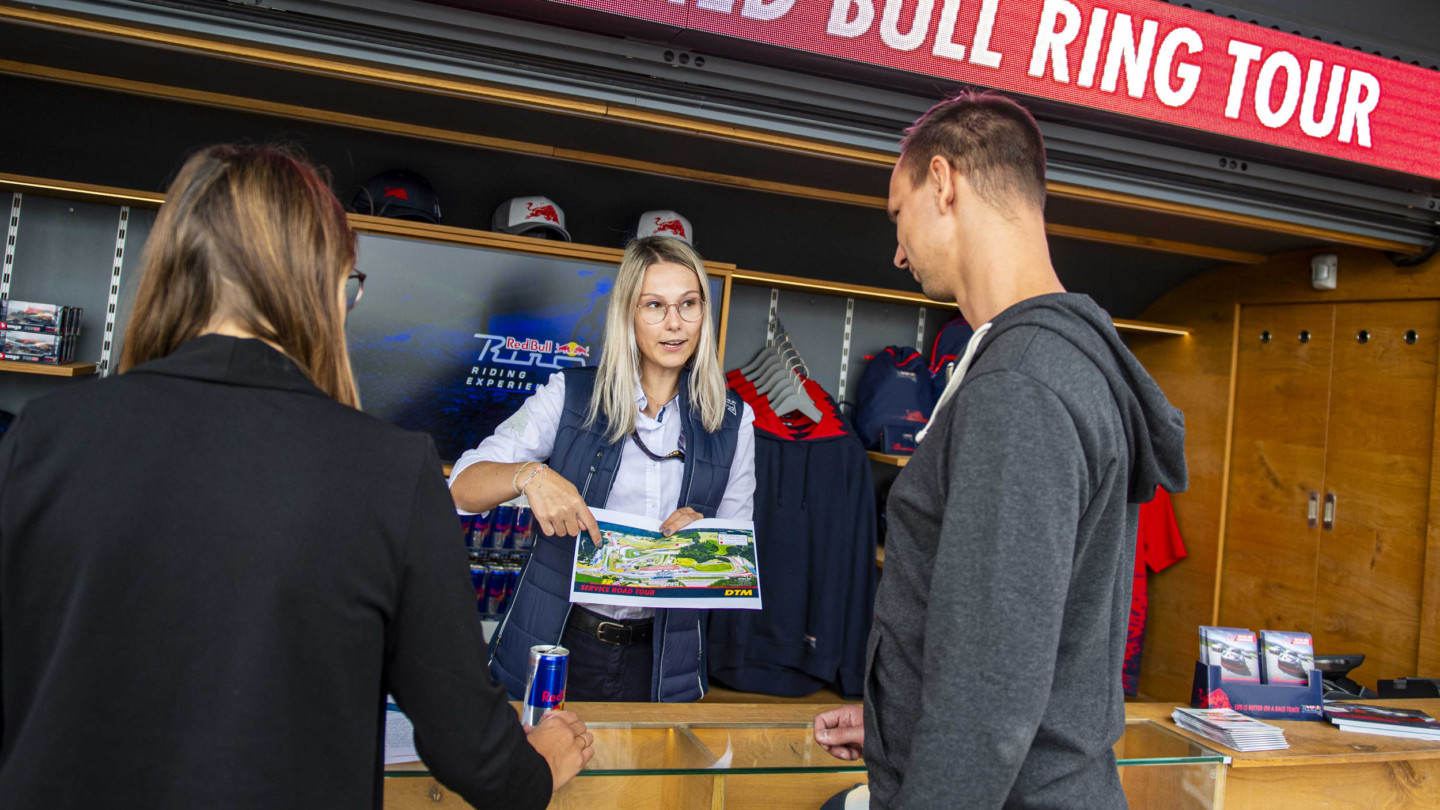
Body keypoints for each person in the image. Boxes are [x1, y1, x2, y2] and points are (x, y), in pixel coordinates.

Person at [0, 145, 591, 809]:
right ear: (324, 285)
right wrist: (539, 764)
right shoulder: (391, 473)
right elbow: (475, 753)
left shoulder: (43, 436)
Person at [813, 92, 1187, 807]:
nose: (897, 249)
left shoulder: (1020, 385)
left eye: (898, 213)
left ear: (944, 183)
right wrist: (899, 724)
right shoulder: (1055, 361)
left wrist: (946, 750)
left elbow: (989, 698)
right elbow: (1022, 637)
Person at [449, 236, 756, 703]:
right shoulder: (568, 395)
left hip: (660, 663)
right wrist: (530, 475)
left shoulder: (735, 419)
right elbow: (461, 487)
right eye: (654, 305)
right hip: (559, 644)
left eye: (688, 304)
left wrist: (708, 539)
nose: (674, 324)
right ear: (627, 314)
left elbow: (735, 556)